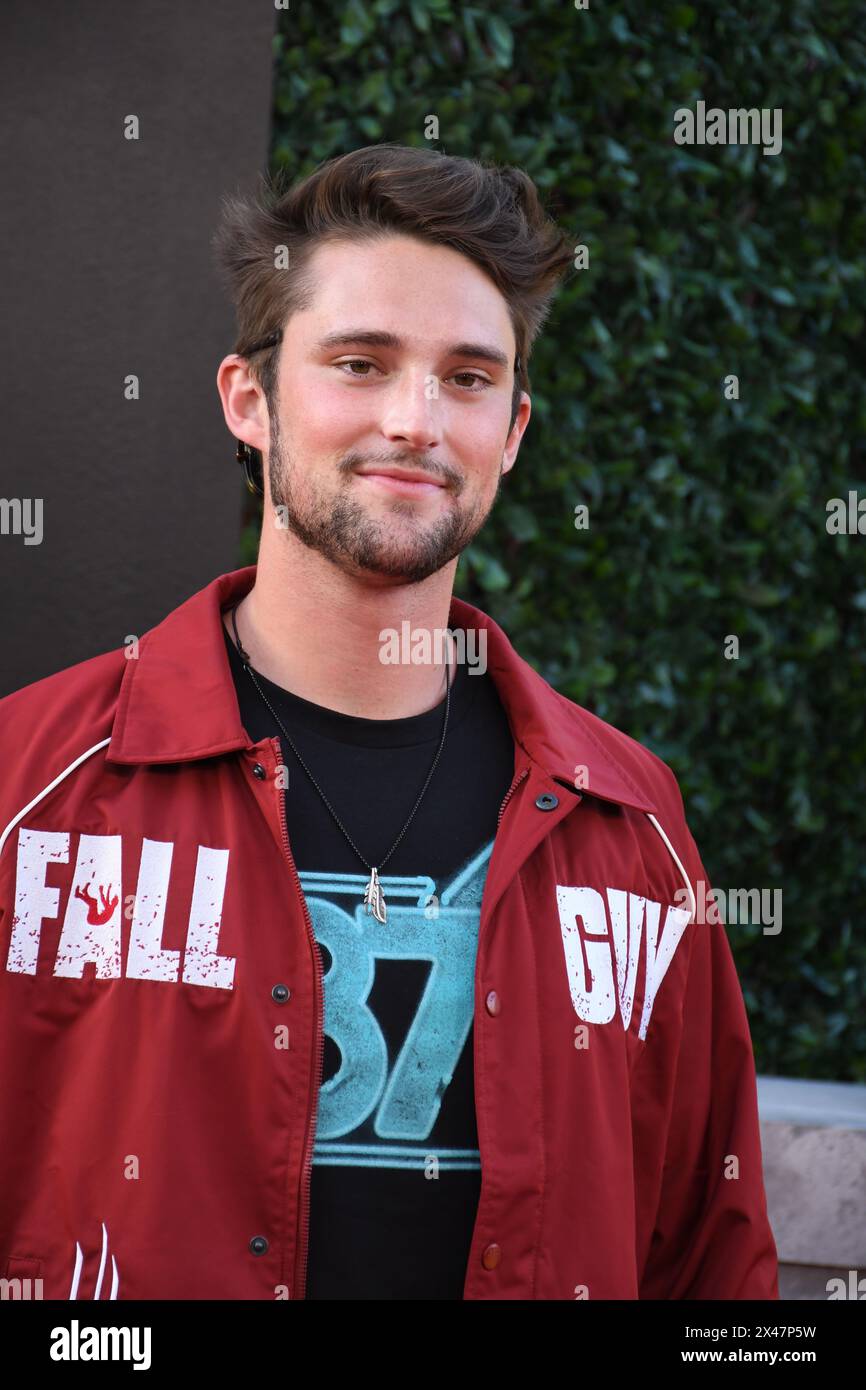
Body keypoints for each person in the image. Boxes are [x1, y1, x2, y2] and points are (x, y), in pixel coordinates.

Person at [0, 143, 778, 1300]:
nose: (414, 420)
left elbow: (708, 1260)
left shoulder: (628, 822)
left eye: (466, 378)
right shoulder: (33, 783)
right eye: (360, 363)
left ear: (511, 433)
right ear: (250, 400)